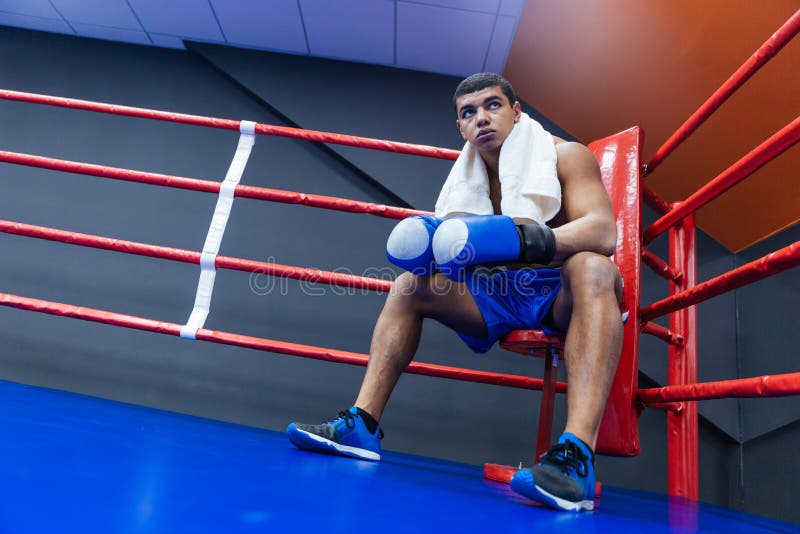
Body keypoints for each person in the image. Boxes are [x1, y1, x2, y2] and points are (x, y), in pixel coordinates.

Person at [286, 73, 623, 512]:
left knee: (594, 268)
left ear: (517, 112)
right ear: (461, 128)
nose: (482, 118)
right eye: (469, 113)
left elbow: (603, 230)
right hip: (497, 292)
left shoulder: (565, 156)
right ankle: (362, 425)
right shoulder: (467, 180)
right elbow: (460, 249)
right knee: (410, 285)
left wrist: (529, 239)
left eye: (493, 105)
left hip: (557, 289)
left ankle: (576, 455)